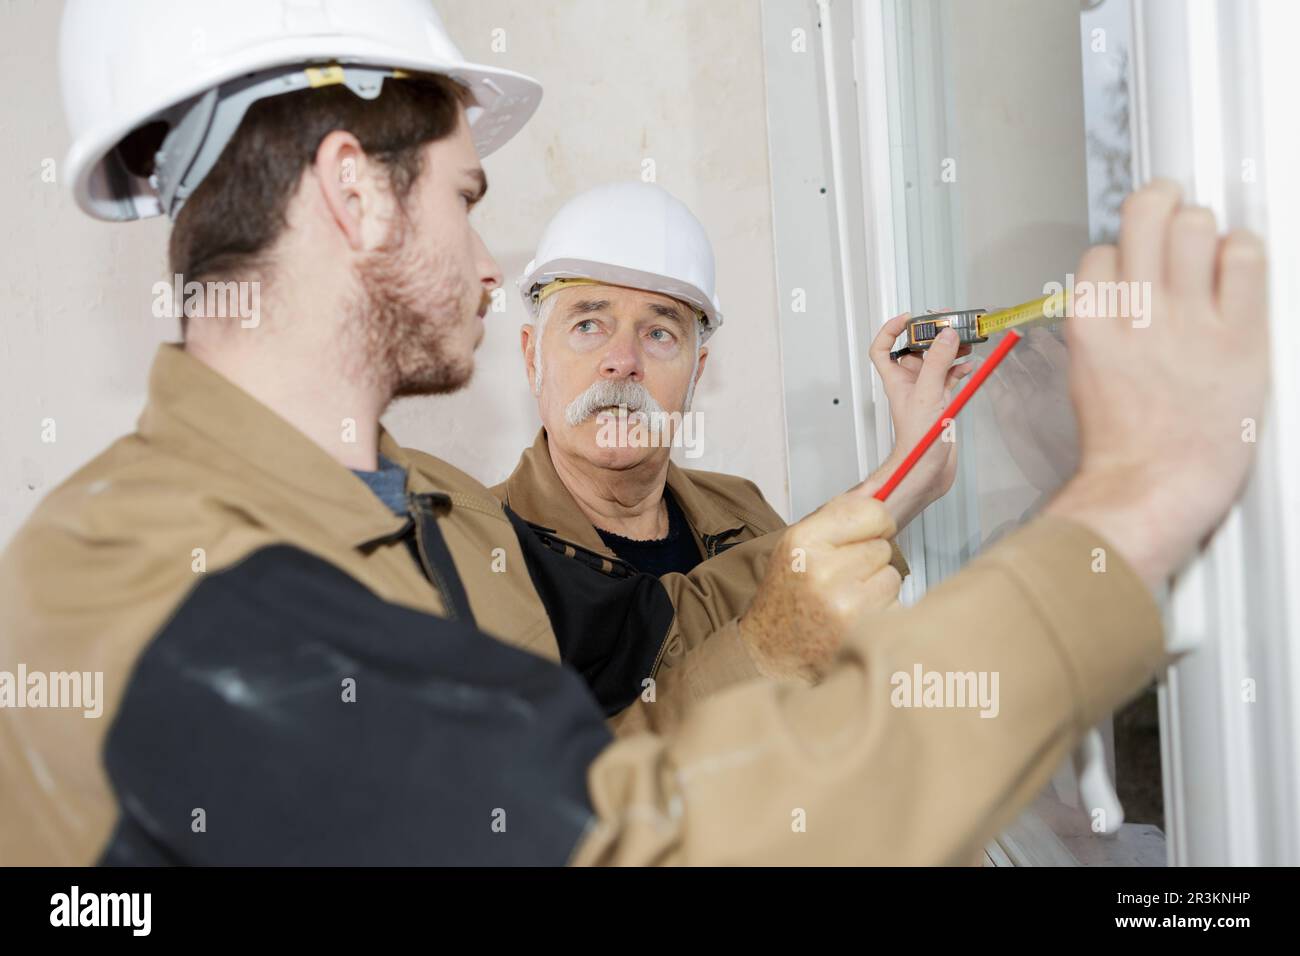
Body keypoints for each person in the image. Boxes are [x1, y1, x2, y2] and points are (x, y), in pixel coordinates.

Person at [0, 0, 1268, 865]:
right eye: (465, 197)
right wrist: (1140, 496)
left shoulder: (419, 521)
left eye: (661, 329)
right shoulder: (157, 583)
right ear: (351, 190)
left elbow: (611, 772)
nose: (487, 265)